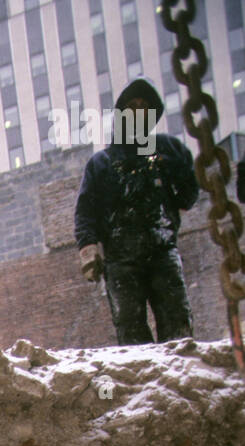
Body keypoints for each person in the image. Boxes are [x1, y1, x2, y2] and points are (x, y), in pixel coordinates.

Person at [74, 76, 199, 345]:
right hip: (121, 260)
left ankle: (180, 382)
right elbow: (86, 211)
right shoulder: (102, 164)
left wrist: (177, 169)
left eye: (145, 106)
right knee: (131, 331)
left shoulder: (168, 149)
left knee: (177, 324)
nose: (139, 111)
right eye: (133, 105)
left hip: (162, 251)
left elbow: (188, 196)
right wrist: (88, 248)